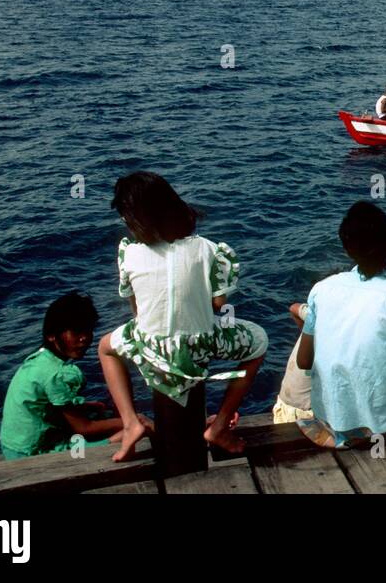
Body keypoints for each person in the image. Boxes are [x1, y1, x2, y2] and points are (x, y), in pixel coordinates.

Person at [97, 173, 267, 459]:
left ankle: (130, 423)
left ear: (135, 219)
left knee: (105, 349)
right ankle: (219, 426)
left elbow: (137, 309)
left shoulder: (129, 254)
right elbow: (218, 303)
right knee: (259, 342)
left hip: (151, 345)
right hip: (201, 343)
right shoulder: (209, 249)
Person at [294, 202, 386, 448]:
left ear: (346, 247)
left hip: (327, 421)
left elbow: (304, 361)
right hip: (381, 427)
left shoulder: (322, 289)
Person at [0, 293, 149, 459]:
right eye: (77, 332)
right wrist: (133, 420)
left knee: (103, 414)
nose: (84, 338)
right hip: (32, 454)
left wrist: (84, 407)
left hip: (13, 448)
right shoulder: (57, 374)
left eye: (88, 330)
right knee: (139, 427)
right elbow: (84, 428)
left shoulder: (41, 360)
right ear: (52, 335)